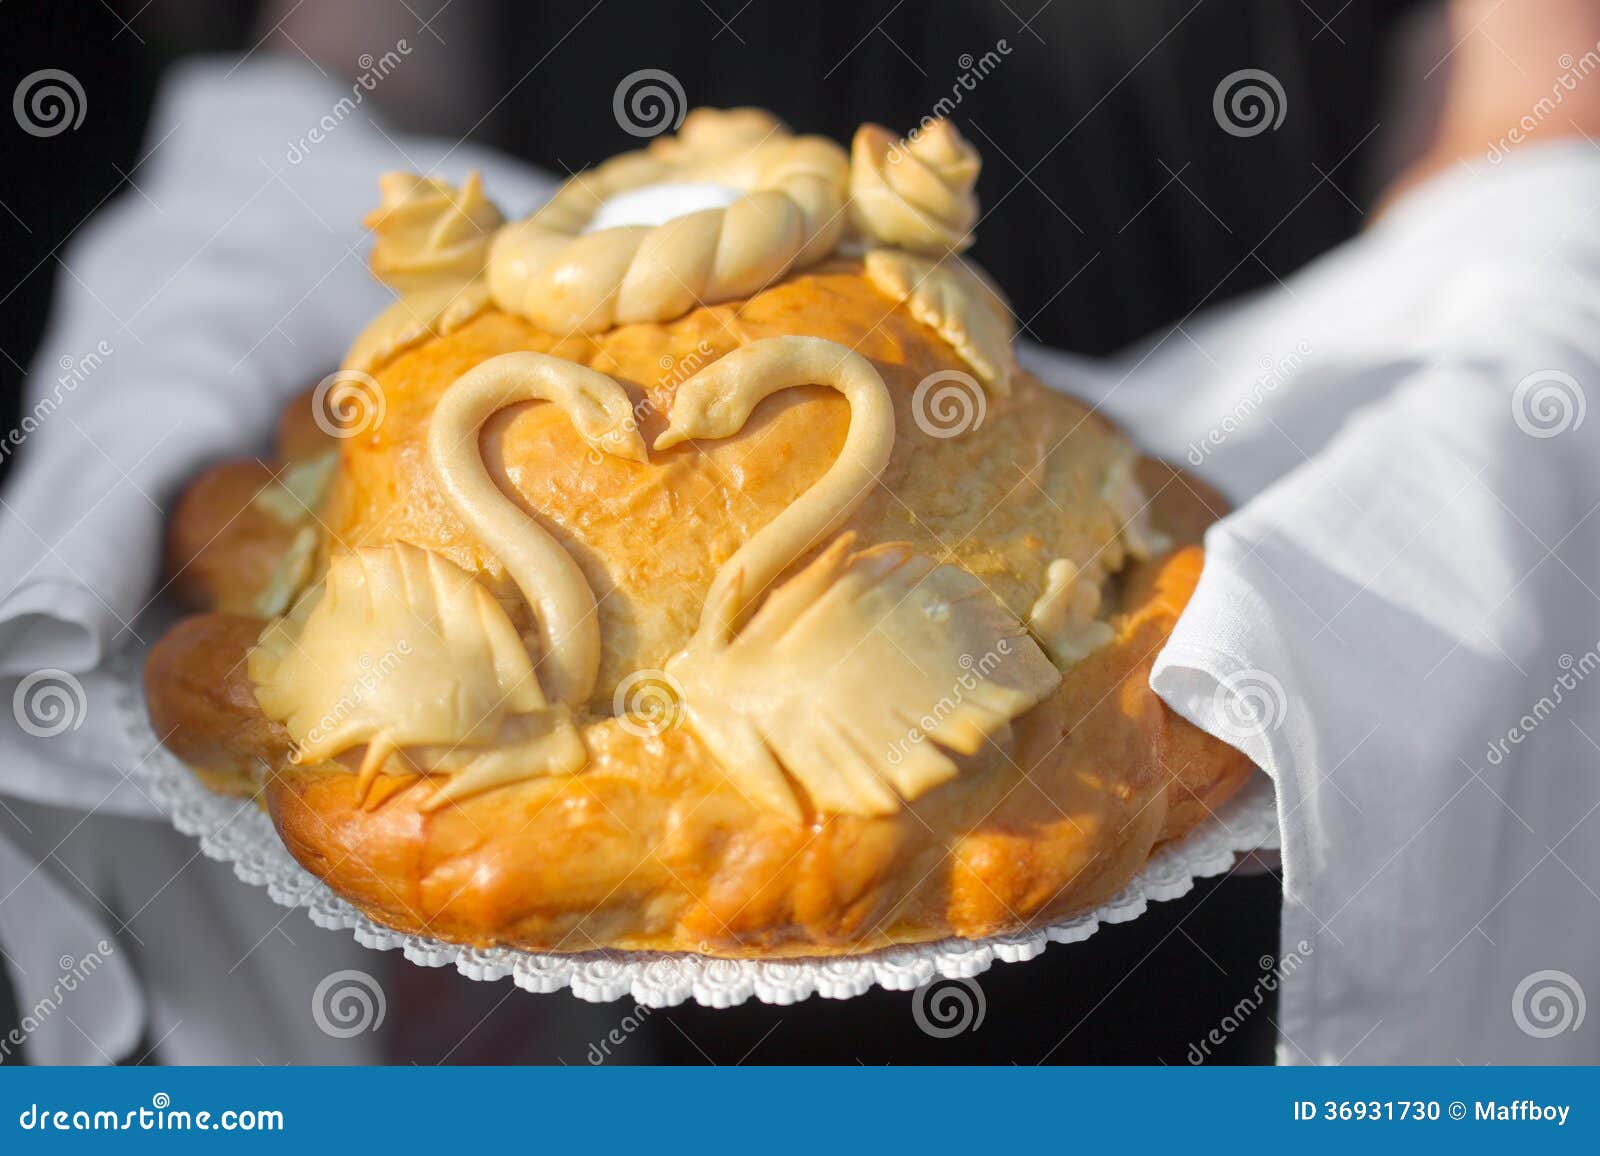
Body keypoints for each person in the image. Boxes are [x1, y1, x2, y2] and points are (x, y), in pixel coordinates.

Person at [0, 0, 1596, 1063]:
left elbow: (1537, 68)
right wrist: (270, 179)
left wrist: (1515, 272)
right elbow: (373, 44)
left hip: (1267, 354)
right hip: (538, 296)